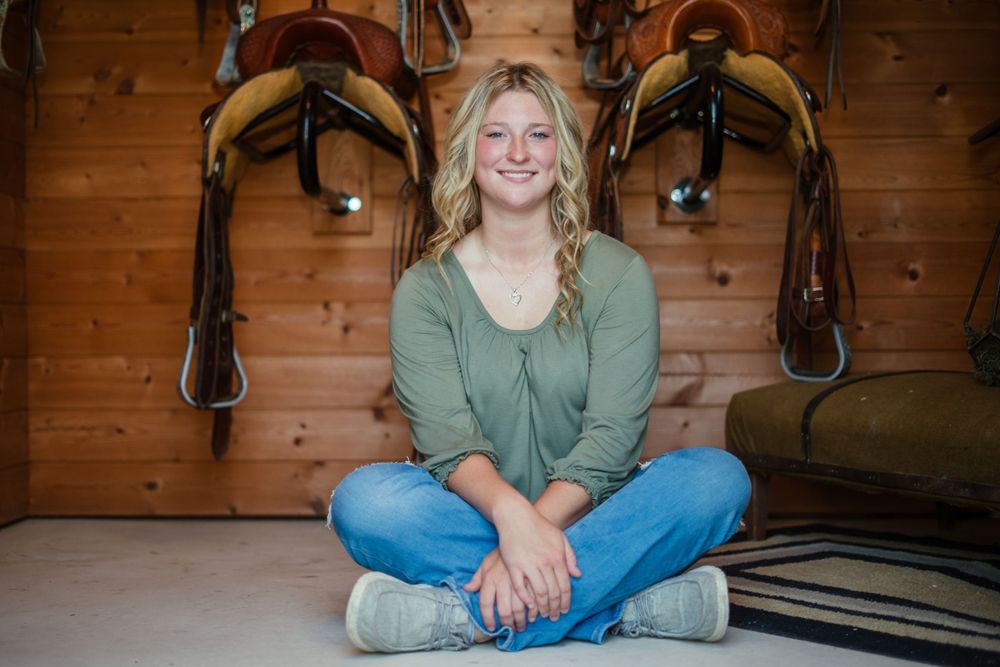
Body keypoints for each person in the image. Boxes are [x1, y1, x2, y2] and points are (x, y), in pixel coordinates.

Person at [327, 61, 751, 654]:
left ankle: (467, 618)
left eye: (538, 134)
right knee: (365, 502)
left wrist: (534, 531)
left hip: (598, 513)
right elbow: (448, 443)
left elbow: (612, 440)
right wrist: (512, 520)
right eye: (497, 133)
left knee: (716, 481)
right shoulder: (425, 290)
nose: (518, 152)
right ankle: (624, 605)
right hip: (475, 515)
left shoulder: (619, 274)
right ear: (470, 151)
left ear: (562, 152)